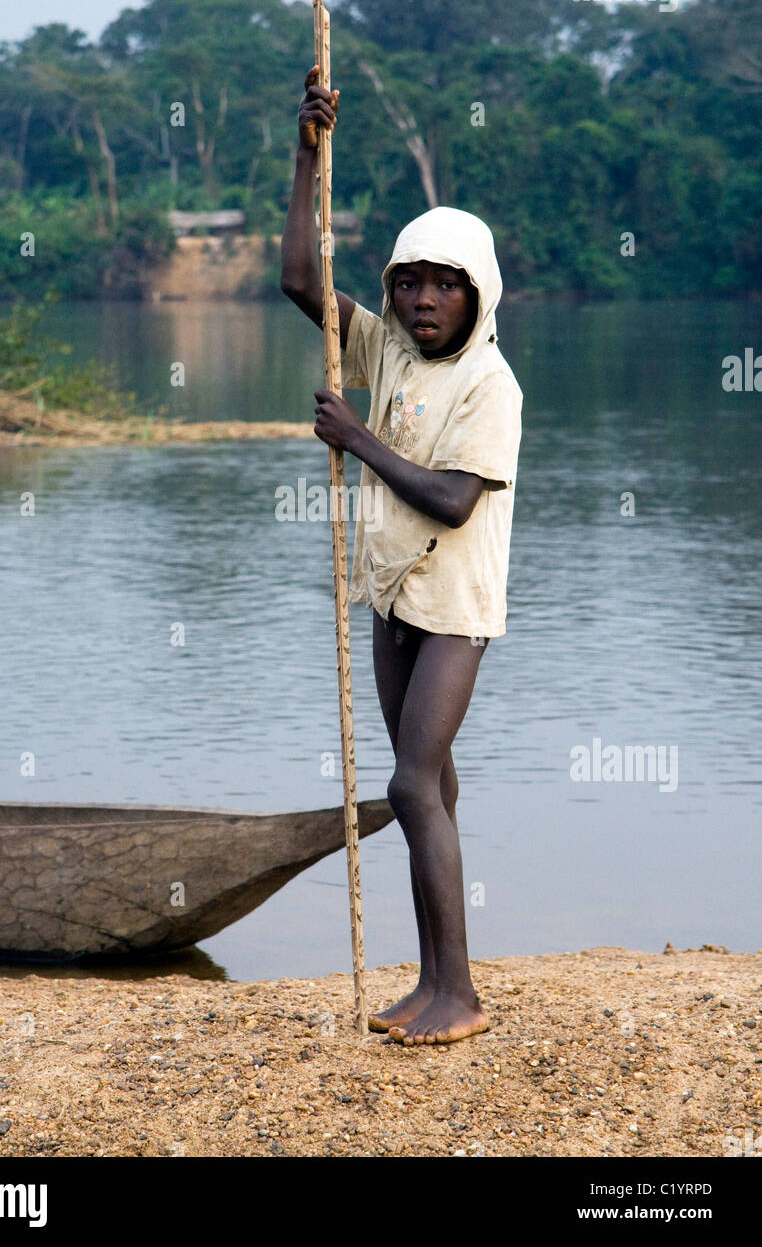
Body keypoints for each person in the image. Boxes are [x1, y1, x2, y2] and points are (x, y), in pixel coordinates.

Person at [280, 66, 523, 1045]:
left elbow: (453, 499)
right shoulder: (382, 354)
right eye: (407, 283)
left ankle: (456, 992)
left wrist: (358, 441)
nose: (422, 301)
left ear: (476, 296)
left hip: (452, 609)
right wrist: (305, 157)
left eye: (442, 287)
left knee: (410, 785)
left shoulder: (489, 384)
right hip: (389, 597)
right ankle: (434, 983)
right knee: (432, 784)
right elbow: (300, 279)